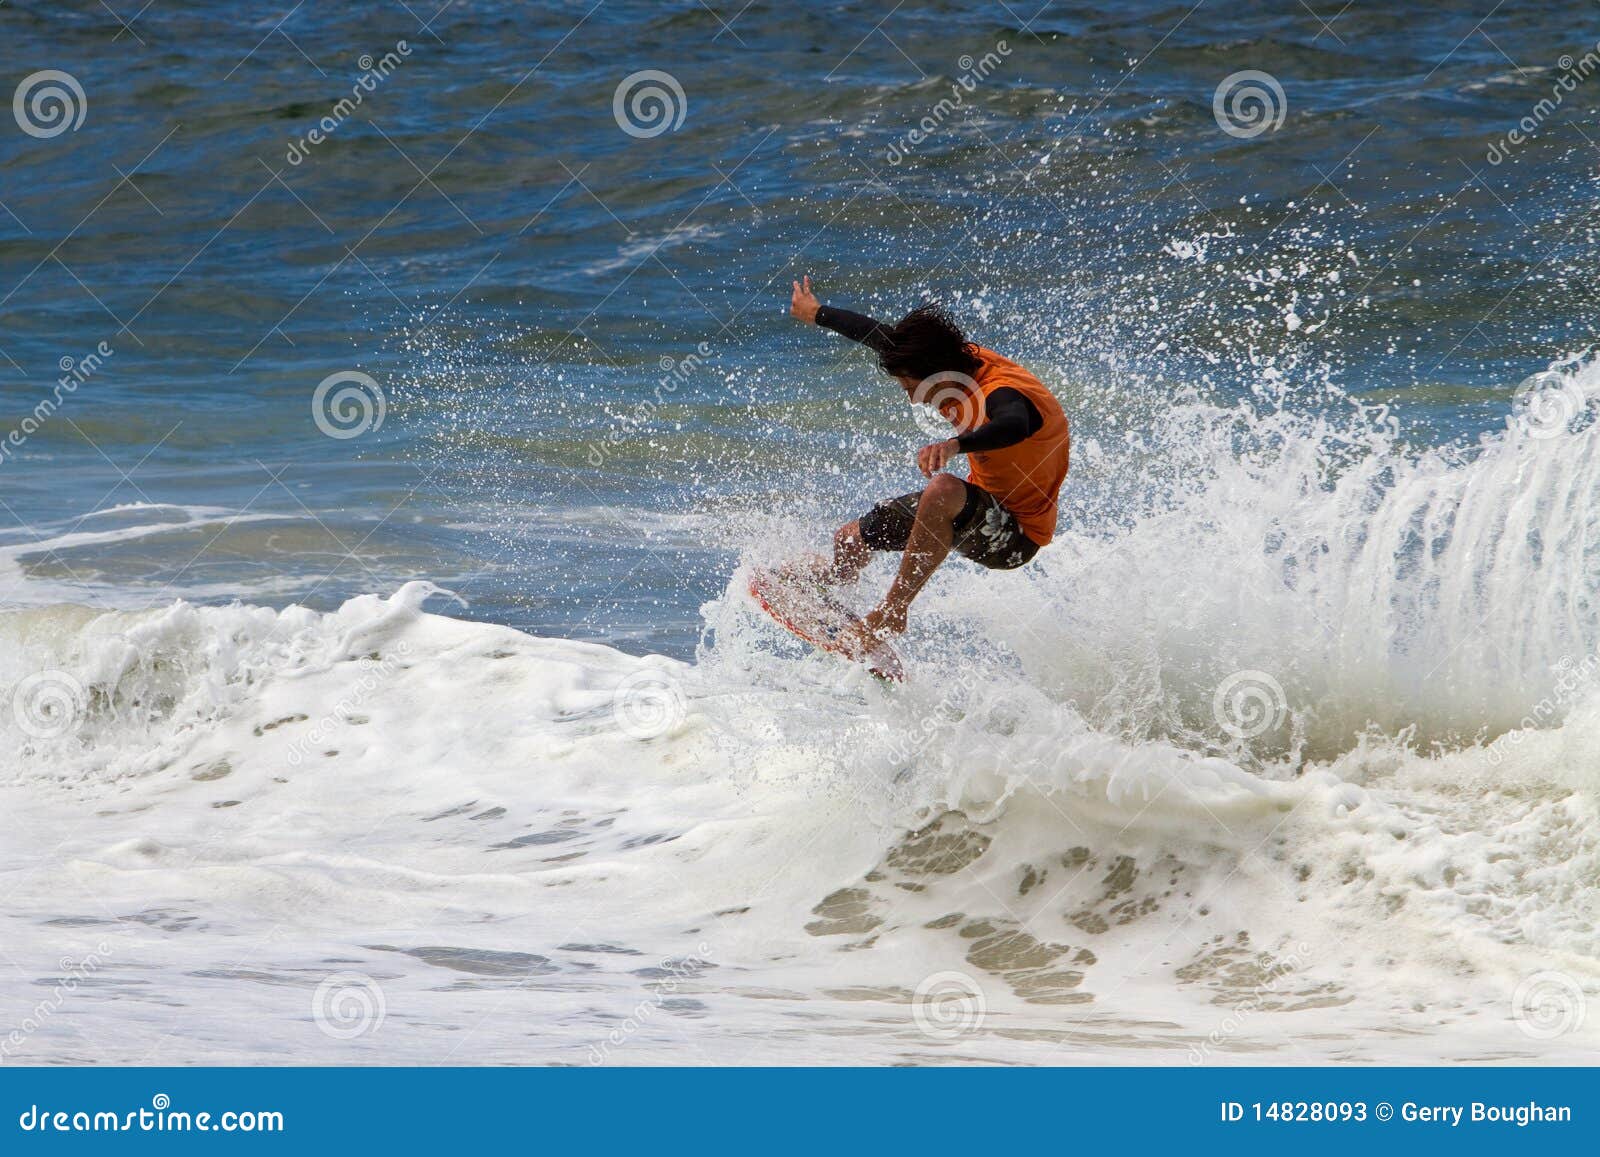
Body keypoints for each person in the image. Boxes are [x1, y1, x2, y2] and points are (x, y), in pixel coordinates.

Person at [787, 275, 1071, 653]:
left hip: (1016, 536)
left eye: (912, 388)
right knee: (849, 539)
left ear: (935, 372)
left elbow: (1015, 424)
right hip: (975, 503)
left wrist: (956, 444)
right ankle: (829, 581)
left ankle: (892, 612)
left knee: (943, 488)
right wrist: (816, 313)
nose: (915, 401)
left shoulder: (1002, 391)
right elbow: (880, 336)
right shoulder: (943, 361)